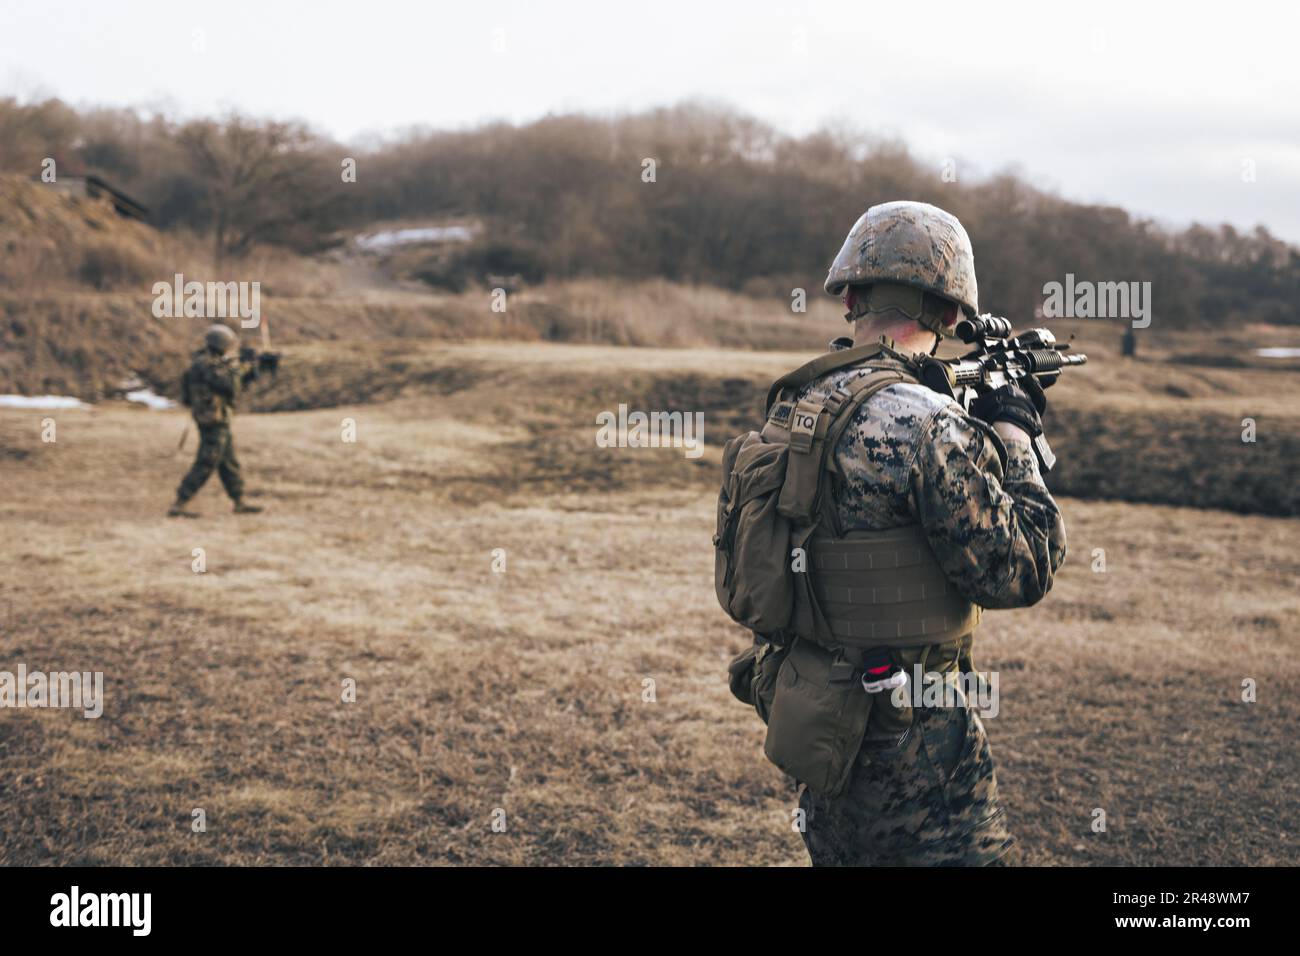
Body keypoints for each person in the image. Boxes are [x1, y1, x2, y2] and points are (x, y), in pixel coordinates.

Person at [730, 201, 1067, 865]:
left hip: (820, 725)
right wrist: (1015, 430)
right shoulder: (933, 425)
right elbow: (1023, 566)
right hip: (919, 753)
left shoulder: (799, 402)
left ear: (849, 294)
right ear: (949, 313)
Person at [168, 323, 265, 517]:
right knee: (207, 461)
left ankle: (239, 501)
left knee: (228, 462)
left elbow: (232, 385)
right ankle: (180, 503)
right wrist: (243, 366)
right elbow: (229, 386)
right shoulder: (206, 364)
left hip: (216, 418)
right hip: (212, 420)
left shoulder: (207, 362)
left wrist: (250, 369)